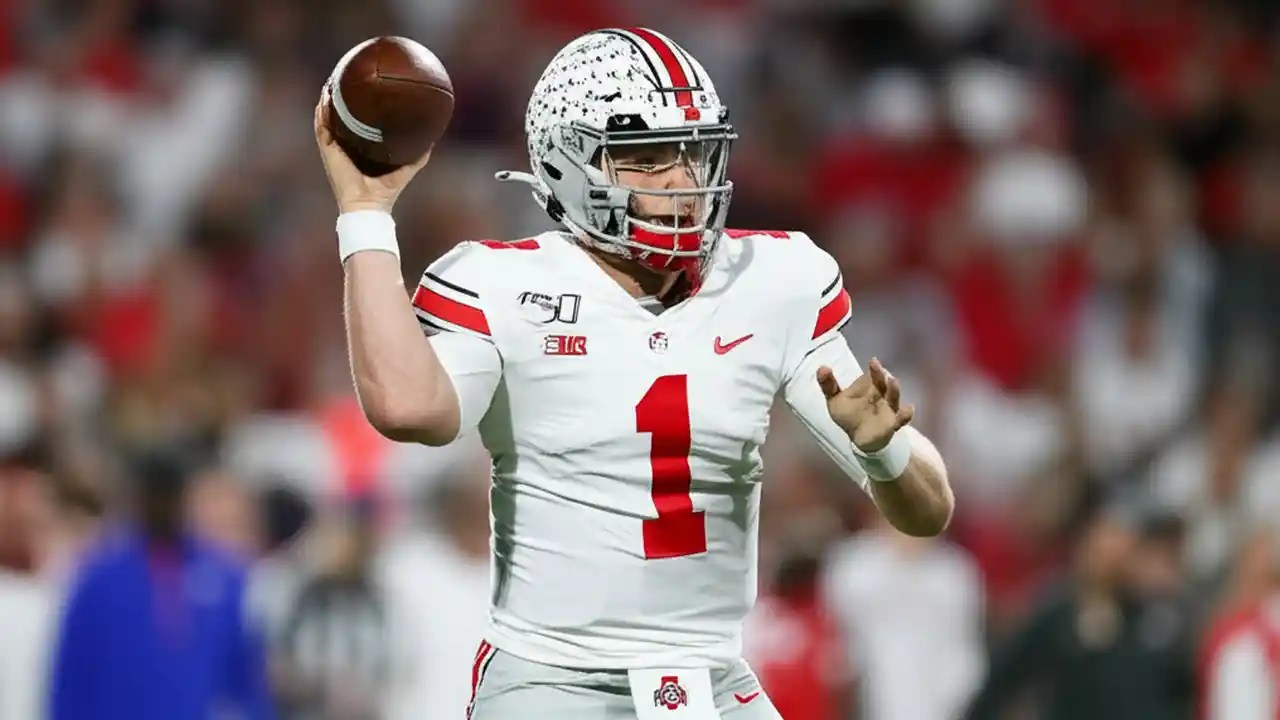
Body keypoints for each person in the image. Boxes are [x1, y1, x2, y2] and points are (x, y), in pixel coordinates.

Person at [316, 27, 954, 720]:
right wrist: (366, 214)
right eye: (646, 159)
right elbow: (411, 409)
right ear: (569, 167)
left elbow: (929, 512)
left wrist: (882, 452)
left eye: (692, 152)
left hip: (709, 677)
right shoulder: (502, 283)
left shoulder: (772, 279)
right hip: (554, 678)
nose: (683, 181)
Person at [47, 447, 274, 720]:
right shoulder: (100, 579)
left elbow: (245, 678)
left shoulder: (224, 576)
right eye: (155, 496)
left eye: (170, 496)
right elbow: (72, 678)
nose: (163, 506)